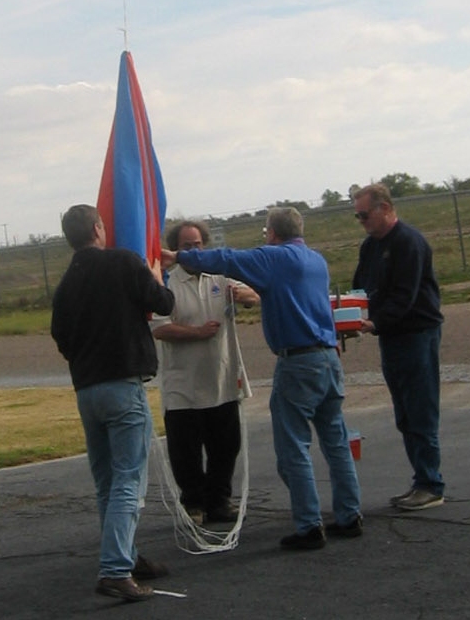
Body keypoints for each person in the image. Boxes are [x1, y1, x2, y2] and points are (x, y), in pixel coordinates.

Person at [161, 205, 361, 550]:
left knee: (293, 446)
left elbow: (228, 259)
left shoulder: (274, 258)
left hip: (297, 360)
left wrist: (179, 256)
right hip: (328, 356)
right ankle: (349, 512)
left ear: (272, 233)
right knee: (335, 440)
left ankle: (309, 524)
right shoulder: (316, 260)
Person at [51, 203, 175, 602]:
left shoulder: (67, 283)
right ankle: (116, 569)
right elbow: (164, 303)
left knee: (107, 481)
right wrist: (156, 277)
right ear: (98, 228)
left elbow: (61, 337)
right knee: (128, 480)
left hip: (87, 389)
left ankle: (125, 554)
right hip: (123, 383)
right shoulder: (123, 262)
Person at [152, 219, 258, 525]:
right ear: (176, 249)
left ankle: (219, 501)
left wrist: (244, 298)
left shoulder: (220, 276)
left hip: (222, 379)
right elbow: (160, 329)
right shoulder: (167, 284)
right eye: (187, 246)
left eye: (198, 245)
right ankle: (193, 504)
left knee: (225, 446)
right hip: (184, 385)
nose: (194, 251)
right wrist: (197, 333)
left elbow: (255, 296)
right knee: (185, 451)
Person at [352, 183, 445, 510]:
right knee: (404, 412)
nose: (361, 220)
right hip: (392, 337)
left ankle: (431, 484)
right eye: (357, 216)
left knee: (420, 408)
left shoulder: (408, 242)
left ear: (384, 208)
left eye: (365, 214)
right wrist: (349, 315)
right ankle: (421, 479)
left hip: (416, 333)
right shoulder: (370, 247)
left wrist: (375, 322)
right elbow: (359, 288)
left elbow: (404, 296)